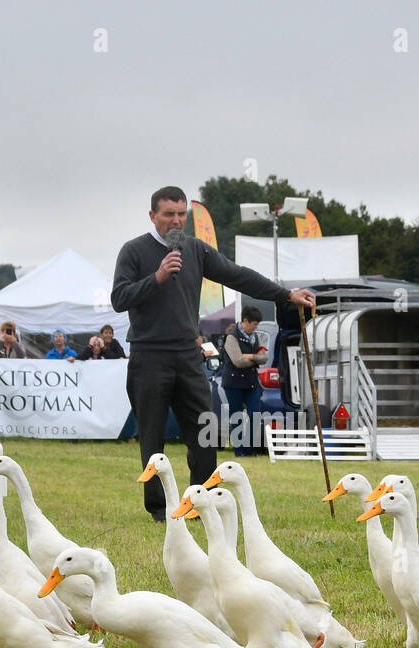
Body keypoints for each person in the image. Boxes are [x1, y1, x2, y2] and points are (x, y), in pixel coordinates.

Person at [112, 185, 315, 521]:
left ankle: (199, 503)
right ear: (153, 216)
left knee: (204, 433)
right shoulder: (134, 251)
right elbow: (120, 298)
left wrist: (286, 294)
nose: (176, 221)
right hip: (148, 356)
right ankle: (160, 510)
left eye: (181, 215)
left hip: (189, 355)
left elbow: (238, 276)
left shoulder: (195, 250)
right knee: (152, 437)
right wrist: (158, 276)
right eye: (168, 214)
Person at [221, 306, 270, 456]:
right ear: (245, 321)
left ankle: (250, 450)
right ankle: (239, 451)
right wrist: (255, 358)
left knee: (255, 414)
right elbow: (238, 361)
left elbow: (264, 358)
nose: (256, 327)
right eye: (254, 324)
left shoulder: (256, 337)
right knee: (236, 417)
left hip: (251, 382)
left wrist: (250, 357)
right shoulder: (231, 337)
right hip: (233, 383)